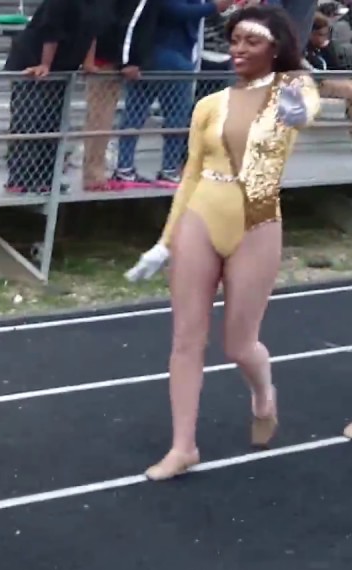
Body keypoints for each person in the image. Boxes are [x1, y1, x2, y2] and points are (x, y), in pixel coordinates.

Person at [123, 5, 321, 481]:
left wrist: (294, 89)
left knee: (238, 344)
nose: (238, 49)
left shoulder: (293, 91)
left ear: (275, 47)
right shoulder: (209, 104)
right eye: (234, 40)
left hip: (256, 219)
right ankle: (182, 445)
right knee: (186, 339)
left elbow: (301, 115)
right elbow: (190, 174)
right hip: (201, 215)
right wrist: (165, 241)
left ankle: (263, 395)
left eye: (251, 41)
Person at [111, 0, 233, 190]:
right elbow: (176, 11)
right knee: (171, 117)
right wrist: (213, 7)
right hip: (166, 57)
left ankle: (128, 168)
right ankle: (165, 170)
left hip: (155, 57)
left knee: (137, 114)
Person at [1, 0, 95, 194]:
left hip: (63, 66)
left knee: (54, 122)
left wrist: (88, 63)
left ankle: (46, 177)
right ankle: (19, 178)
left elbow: (93, 32)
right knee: (29, 119)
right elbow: (51, 30)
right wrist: (45, 64)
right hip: (33, 61)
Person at [82, 0, 158, 191]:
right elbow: (130, 23)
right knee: (100, 118)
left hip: (108, 57)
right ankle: (93, 176)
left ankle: (94, 173)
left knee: (99, 117)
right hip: (107, 61)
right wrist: (129, 62)